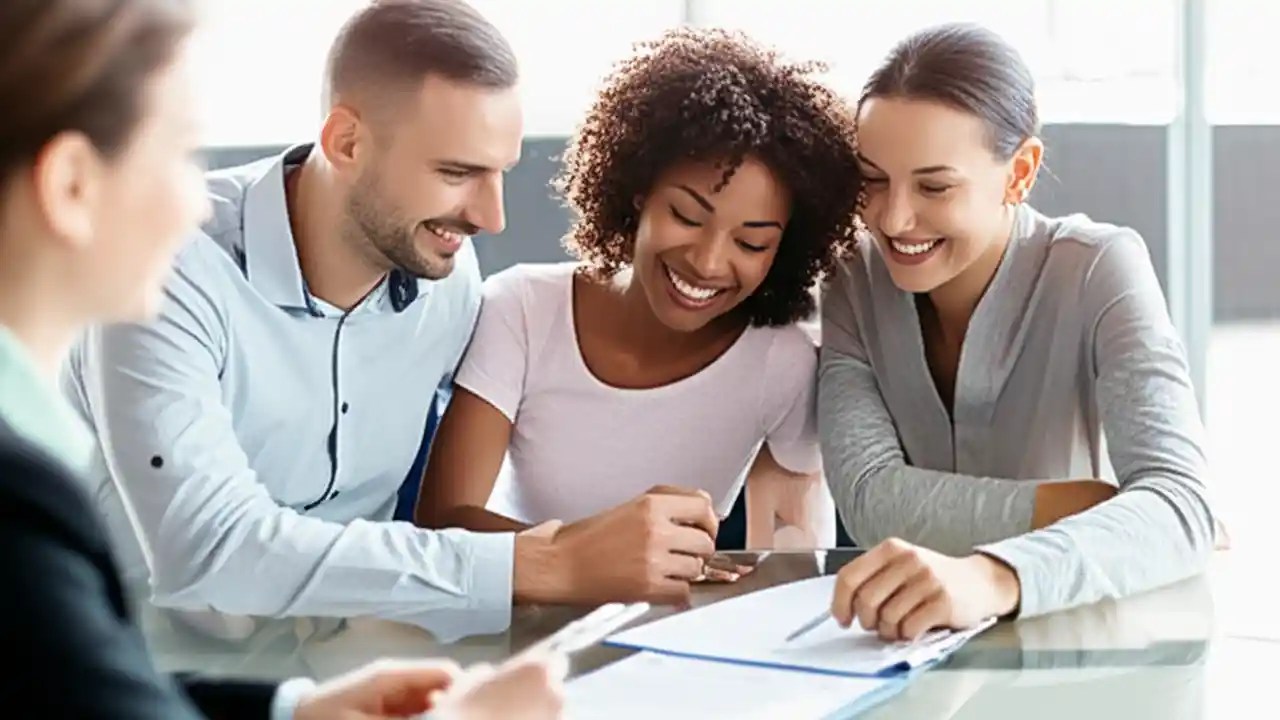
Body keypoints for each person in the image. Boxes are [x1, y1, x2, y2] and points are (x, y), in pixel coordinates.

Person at [0, 0, 564, 718]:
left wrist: (295, 711)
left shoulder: (448, 283)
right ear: (72, 186)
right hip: (168, 650)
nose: (195, 204)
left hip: (292, 664)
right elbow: (119, 653)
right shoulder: (18, 496)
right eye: (176, 156)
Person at [416, 27, 860, 602]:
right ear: (636, 194)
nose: (707, 262)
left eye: (751, 244)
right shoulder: (523, 309)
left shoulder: (783, 357)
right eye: (684, 214)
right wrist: (600, 559)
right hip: (514, 626)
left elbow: (786, 554)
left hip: (670, 638)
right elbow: (444, 522)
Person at [819, 23, 1216, 641]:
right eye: (873, 180)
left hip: (1073, 645)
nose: (892, 218)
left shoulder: (1099, 268)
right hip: (898, 647)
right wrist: (1091, 506)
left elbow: (1185, 507)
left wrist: (991, 576)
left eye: (934, 186)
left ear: (1020, 172)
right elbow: (870, 501)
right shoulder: (851, 277)